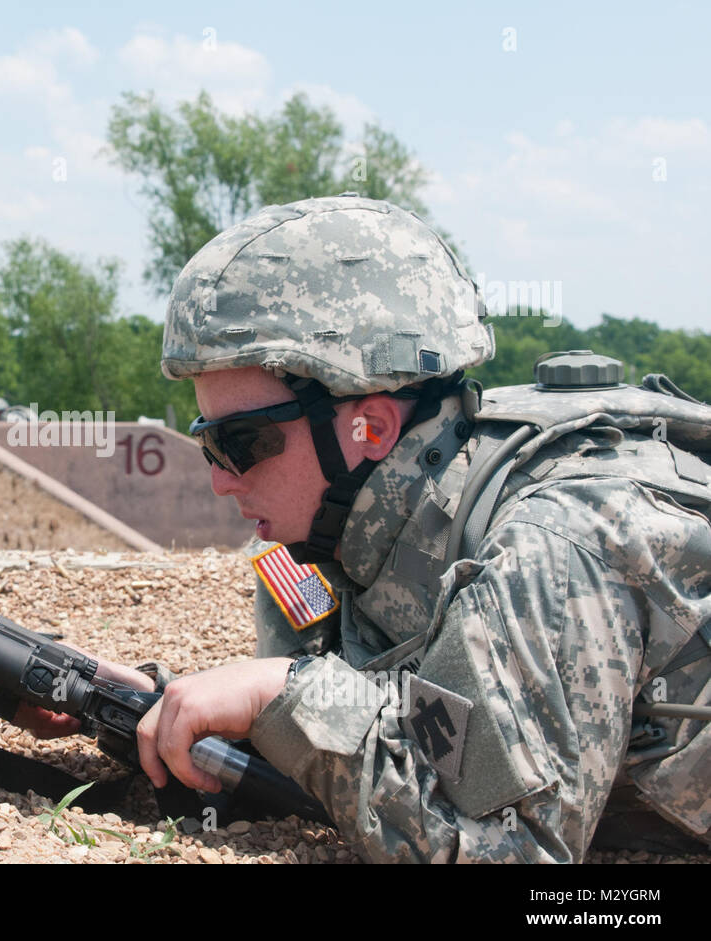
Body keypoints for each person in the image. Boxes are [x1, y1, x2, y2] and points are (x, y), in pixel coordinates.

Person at [132, 193, 711, 862]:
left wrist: (286, 694)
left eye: (242, 441)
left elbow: (517, 853)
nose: (221, 478)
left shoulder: (551, 545)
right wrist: (150, 709)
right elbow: (398, 739)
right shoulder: (356, 537)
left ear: (370, 427)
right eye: (207, 444)